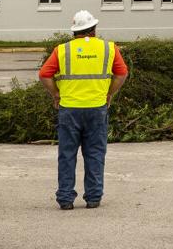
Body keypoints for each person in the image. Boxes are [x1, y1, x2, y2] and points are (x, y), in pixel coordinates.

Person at [38, 11, 129, 208]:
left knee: (67, 154)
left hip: (69, 109)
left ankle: (65, 199)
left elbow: (45, 74)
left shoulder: (62, 50)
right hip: (97, 108)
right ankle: (94, 197)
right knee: (95, 153)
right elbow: (122, 74)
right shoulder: (109, 48)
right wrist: (108, 94)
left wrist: (56, 94)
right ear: (94, 29)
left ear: (74, 31)